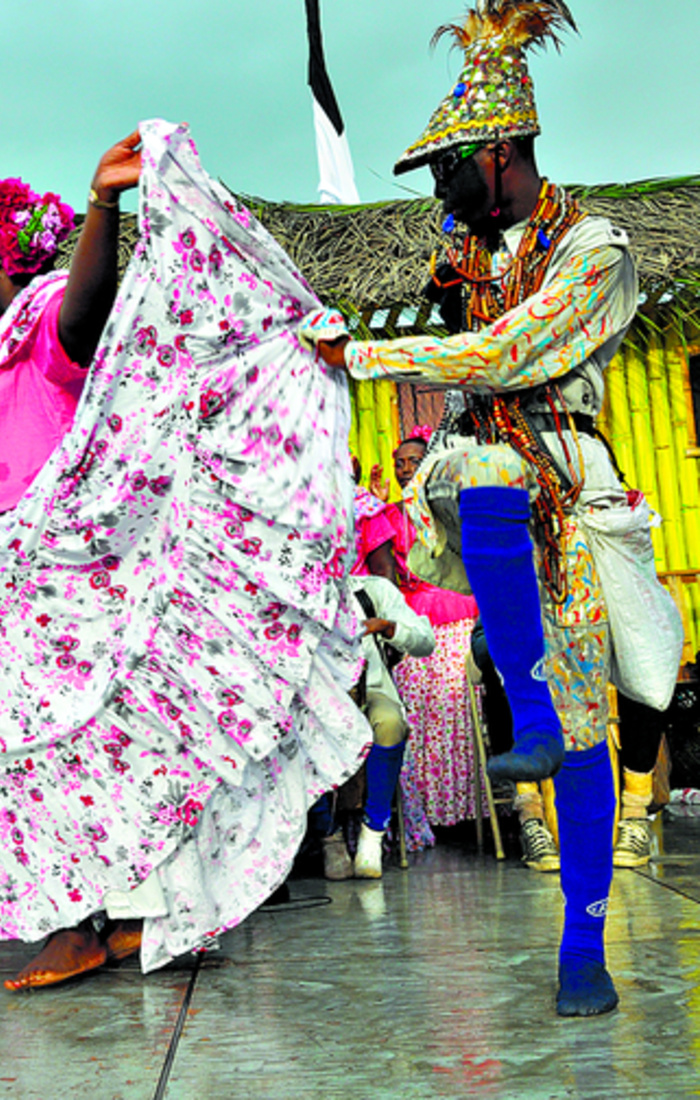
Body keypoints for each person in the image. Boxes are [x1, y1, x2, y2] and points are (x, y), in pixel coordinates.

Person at [0, 122, 372, 992]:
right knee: (44, 754)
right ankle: (105, 916)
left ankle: (90, 922)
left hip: (54, 578)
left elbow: (81, 323)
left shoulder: (42, 317)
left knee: (61, 751)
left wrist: (101, 205)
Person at [305, 1, 681, 1016]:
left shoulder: (594, 247)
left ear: (504, 152)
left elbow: (512, 352)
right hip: (495, 489)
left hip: (570, 485)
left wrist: (371, 354)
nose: (438, 187)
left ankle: (582, 940)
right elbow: (473, 356)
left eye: (448, 166)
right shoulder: (471, 255)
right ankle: (526, 710)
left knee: (595, 725)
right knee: (474, 470)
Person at [364, 429, 484, 835]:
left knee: (459, 717)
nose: (405, 469)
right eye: (400, 463)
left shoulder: (449, 509)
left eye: (414, 462)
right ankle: (428, 815)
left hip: (458, 616)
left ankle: (467, 813)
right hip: (414, 624)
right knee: (416, 718)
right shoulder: (390, 515)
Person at [319, 574, 436, 879]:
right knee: (296, 735)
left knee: (390, 722)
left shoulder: (372, 590)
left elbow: (426, 641)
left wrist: (388, 627)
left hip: (369, 689)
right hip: (316, 699)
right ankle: (329, 836)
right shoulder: (290, 592)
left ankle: (373, 833)